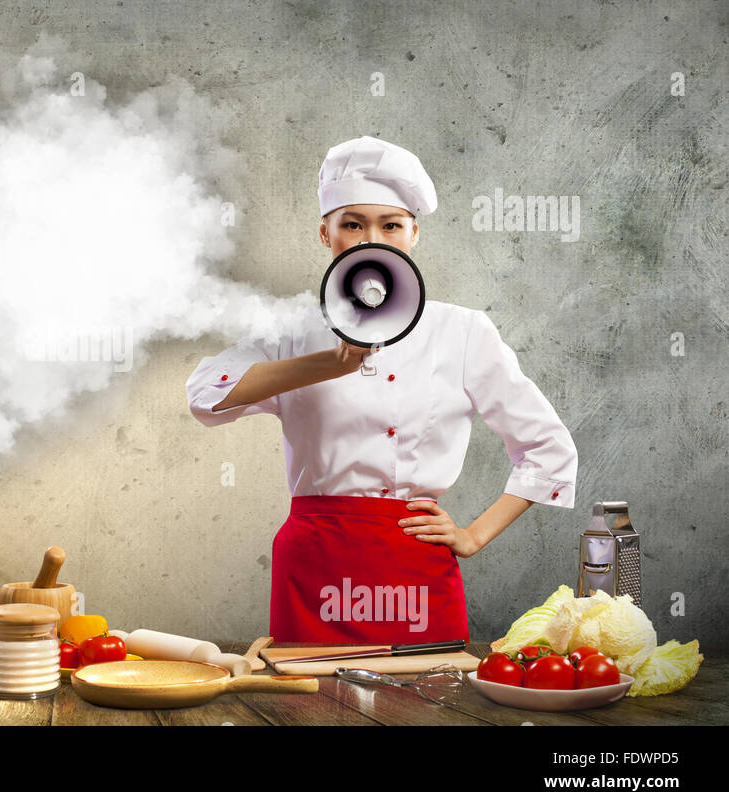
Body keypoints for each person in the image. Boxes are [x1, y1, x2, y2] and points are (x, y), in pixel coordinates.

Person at [186, 135, 579, 644]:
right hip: (315, 564)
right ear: (324, 234)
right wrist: (332, 362)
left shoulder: (462, 331)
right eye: (352, 224)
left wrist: (473, 535)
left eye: (390, 225)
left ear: (413, 233)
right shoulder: (289, 330)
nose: (372, 238)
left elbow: (548, 449)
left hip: (413, 563)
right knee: (310, 712)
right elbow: (205, 394)